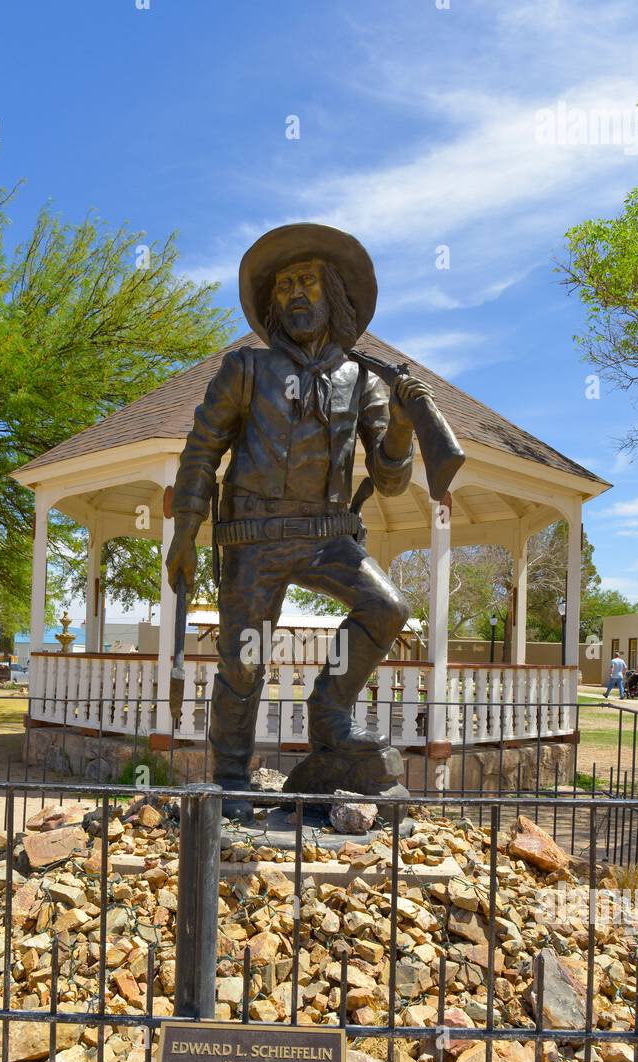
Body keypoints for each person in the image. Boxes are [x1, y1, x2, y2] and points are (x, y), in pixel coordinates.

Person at [166, 223, 464, 808]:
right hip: (253, 535)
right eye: (283, 287)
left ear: (332, 293)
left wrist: (402, 424)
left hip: (328, 536)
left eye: (307, 282)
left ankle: (329, 714)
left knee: (387, 608)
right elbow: (202, 448)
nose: (295, 295)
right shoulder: (244, 369)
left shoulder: (365, 381)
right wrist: (184, 527)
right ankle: (229, 780)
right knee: (245, 657)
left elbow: (390, 478)